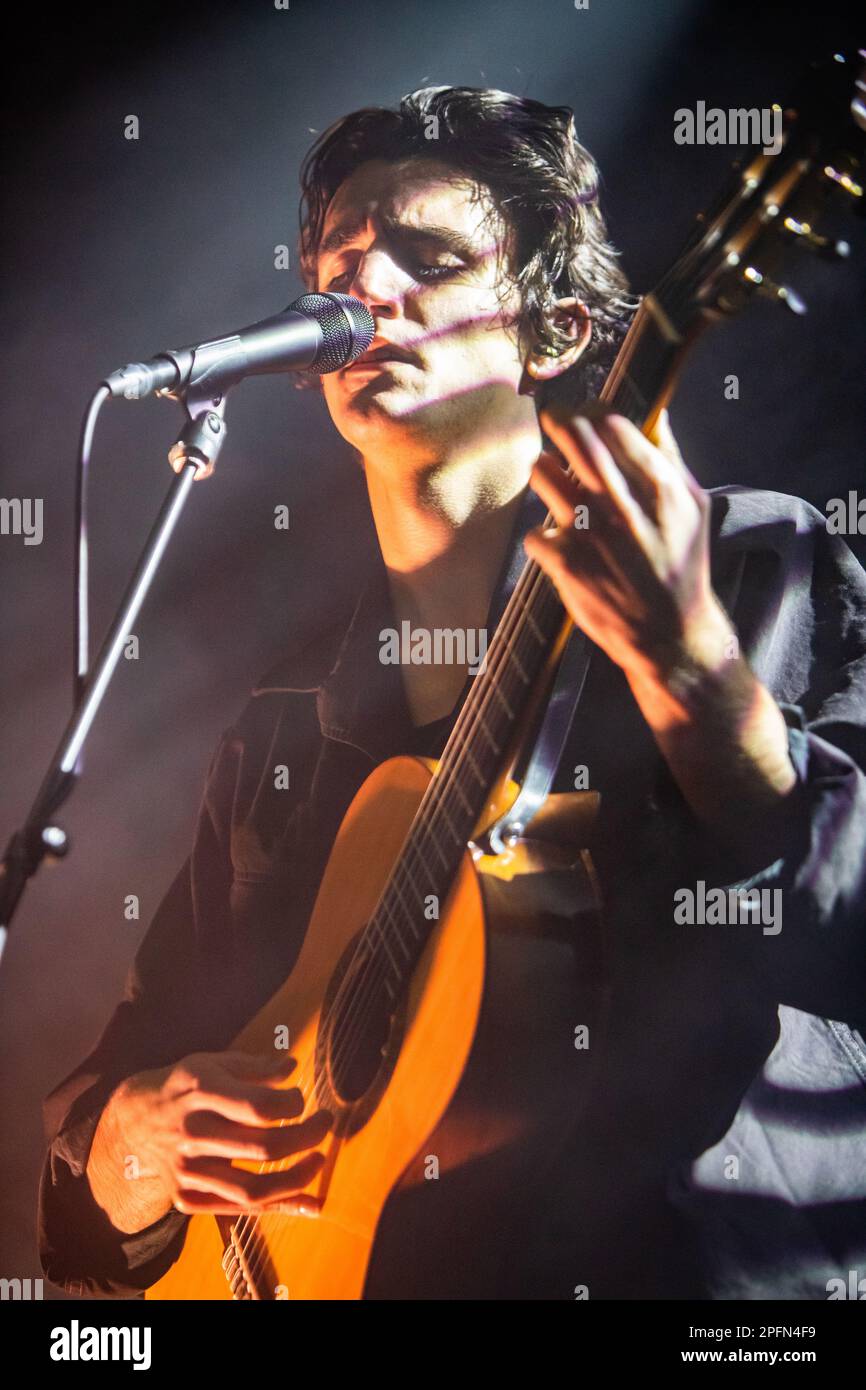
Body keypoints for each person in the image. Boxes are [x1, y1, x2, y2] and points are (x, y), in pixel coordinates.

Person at [38, 86, 866, 1300]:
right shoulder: (281, 734)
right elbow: (95, 1175)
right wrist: (132, 1141)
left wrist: (697, 682)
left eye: (426, 258)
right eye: (338, 261)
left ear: (557, 332)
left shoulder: (749, 565)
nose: (361, 284)